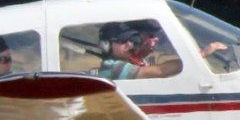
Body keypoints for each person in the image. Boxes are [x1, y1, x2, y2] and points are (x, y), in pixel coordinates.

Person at [97, 21, 228, 80]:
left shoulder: (133, 62)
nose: (129, 44)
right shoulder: (112, 68)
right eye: (122, 41)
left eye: (131, 39)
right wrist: (202, 54)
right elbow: (160, 71)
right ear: (106, 45)